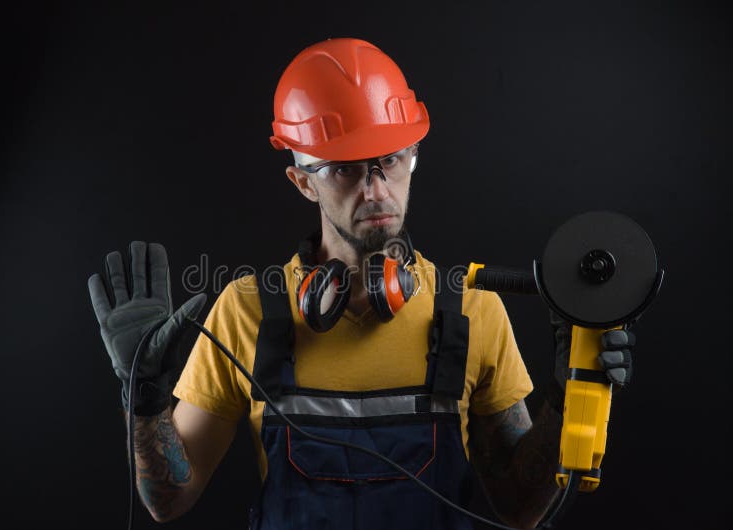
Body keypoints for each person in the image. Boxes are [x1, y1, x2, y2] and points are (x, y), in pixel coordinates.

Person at [88, 37, 635, 530]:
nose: (375, 190)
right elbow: (168, 501)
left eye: (389, 161)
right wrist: (145, 401)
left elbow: (519, 509)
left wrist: (568, 395)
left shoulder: (472, 310)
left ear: (413, 158)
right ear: (302, 181)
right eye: (345, 169)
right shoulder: (246, 311)